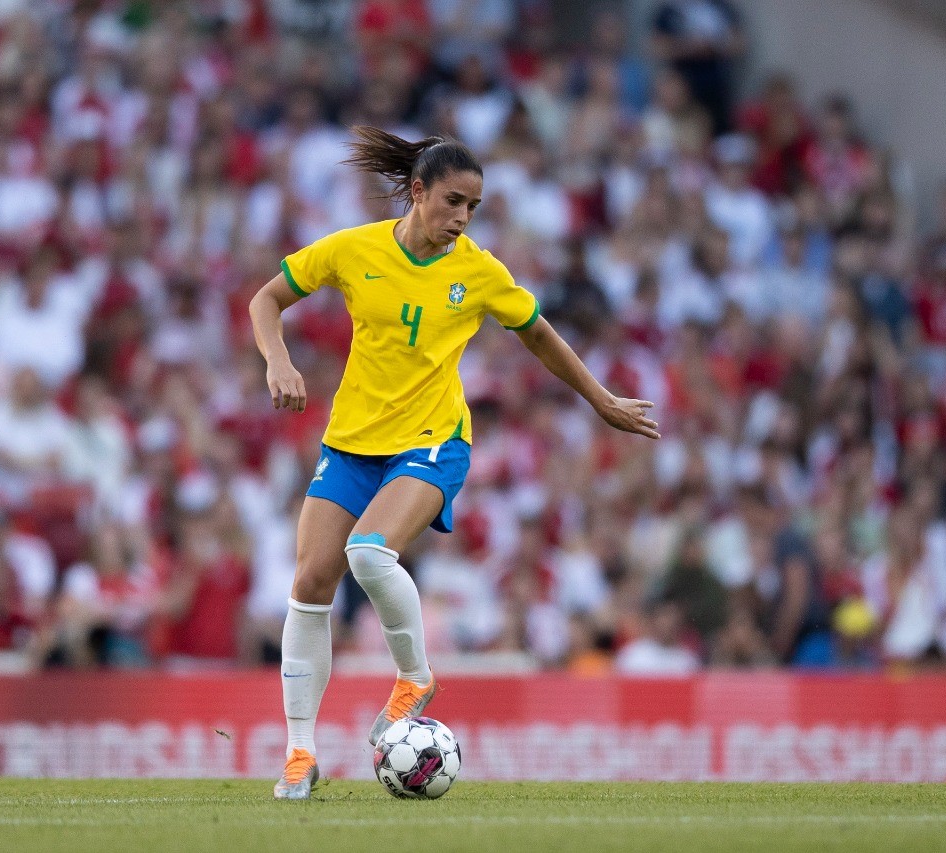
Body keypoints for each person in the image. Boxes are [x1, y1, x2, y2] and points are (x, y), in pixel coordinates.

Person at [249, 126, 659, 800]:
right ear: (417, 192)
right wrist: (279, 358)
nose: (462, 218)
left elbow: (539, 335)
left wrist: (601, 399)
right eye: (453, 201)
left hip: (434, 441)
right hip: (352, 441)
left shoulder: (479, 270)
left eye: (474, 206)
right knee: (310, 579)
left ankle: (414, 675)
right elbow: (266, 299)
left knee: (370, 554)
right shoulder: (354, 250)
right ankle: (299, 753)